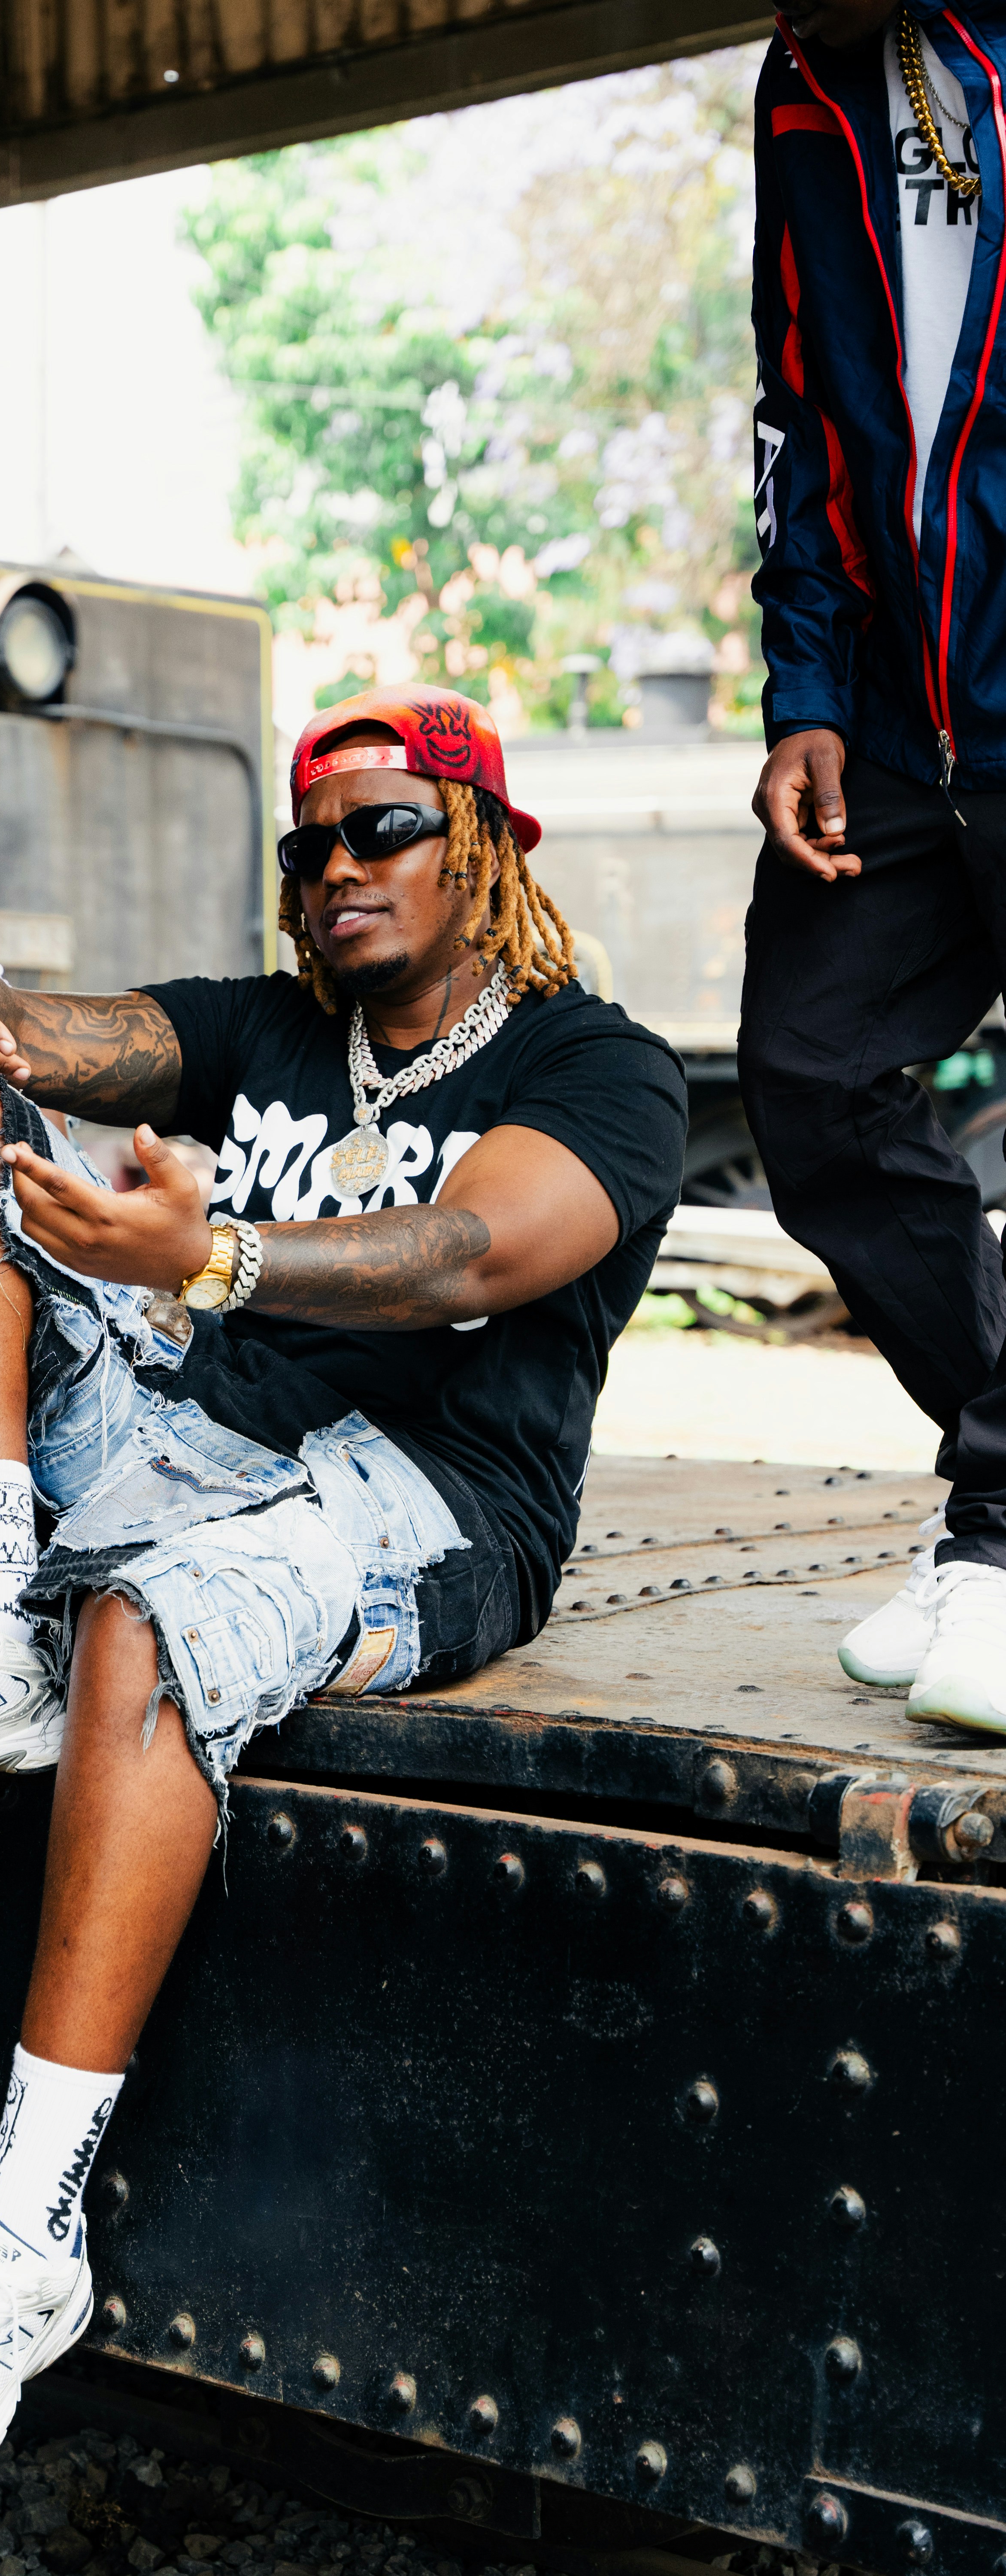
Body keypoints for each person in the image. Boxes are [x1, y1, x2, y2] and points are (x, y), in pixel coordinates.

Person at [0, 685, 687, 2493]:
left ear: (483, 850)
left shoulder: (600, 1065)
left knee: (153, 1615)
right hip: (189, 1432)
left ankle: (18, 2240)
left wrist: (214, 1254)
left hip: (425, 1500)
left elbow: (470, 1256)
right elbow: (25, 1037)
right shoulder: (264, 1027)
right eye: (312, 842)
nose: (340, 865)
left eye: (386, 828)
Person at [742, 0, 1006, 1727]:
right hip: (903, 714)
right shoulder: (808, 77)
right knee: (812, 1070)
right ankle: (1001, 1502)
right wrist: (811, 695)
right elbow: (798, 410)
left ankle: (996, 1533)